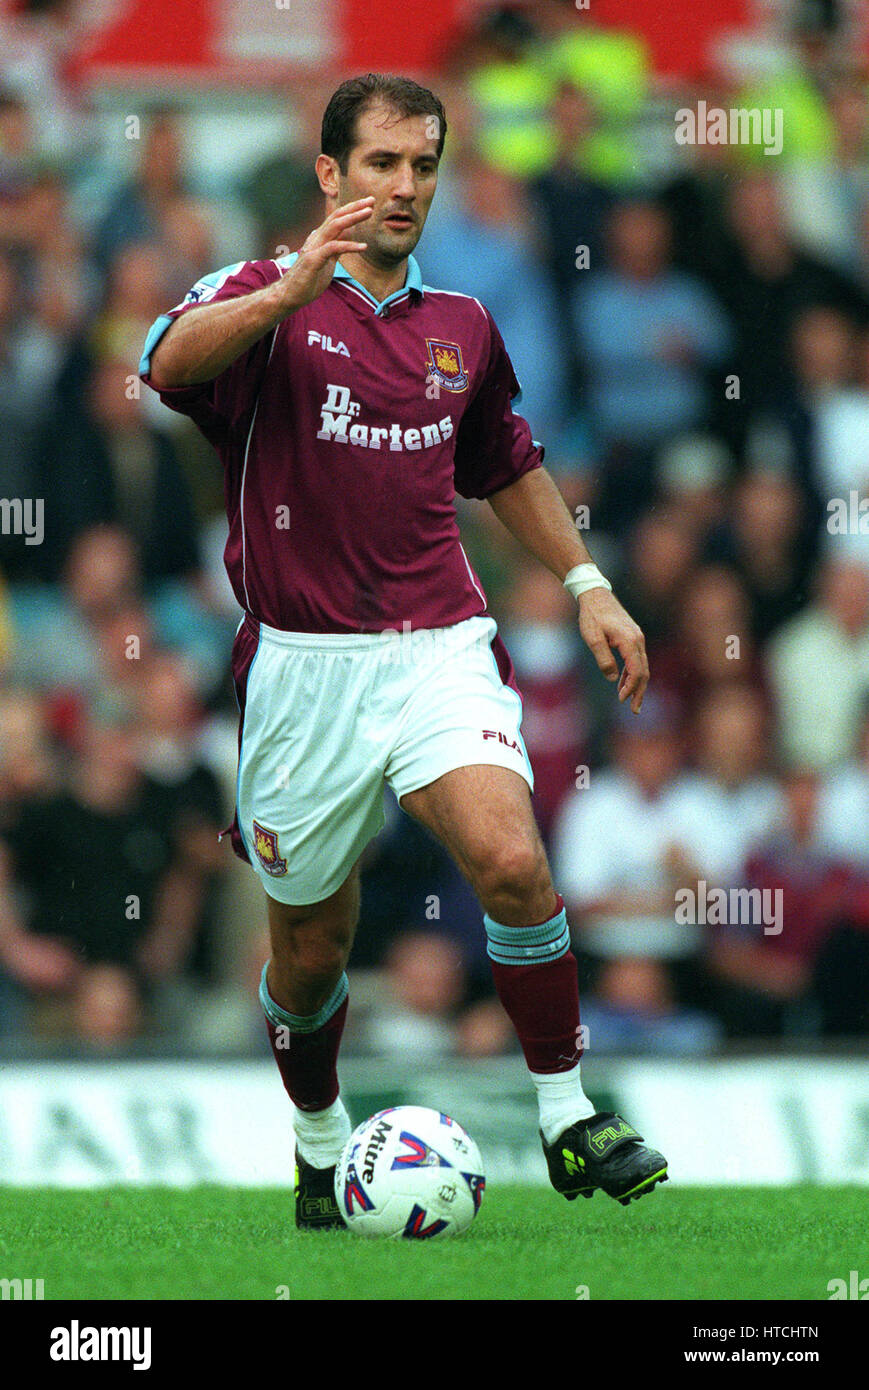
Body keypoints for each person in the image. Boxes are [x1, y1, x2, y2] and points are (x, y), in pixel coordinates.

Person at [140, 73, 665, 1229]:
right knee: (309, 953)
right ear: (329, 172)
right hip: (301, 668)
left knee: (512, 860)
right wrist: (286, 292)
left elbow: (505, 461)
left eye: (422, 166)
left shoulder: (461, 326)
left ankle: (567, 1115)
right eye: (380, 163)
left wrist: (586, 584)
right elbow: (166, 364)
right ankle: (319, 1141)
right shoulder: (261, 295)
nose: (404, 186)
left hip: (435, 643)